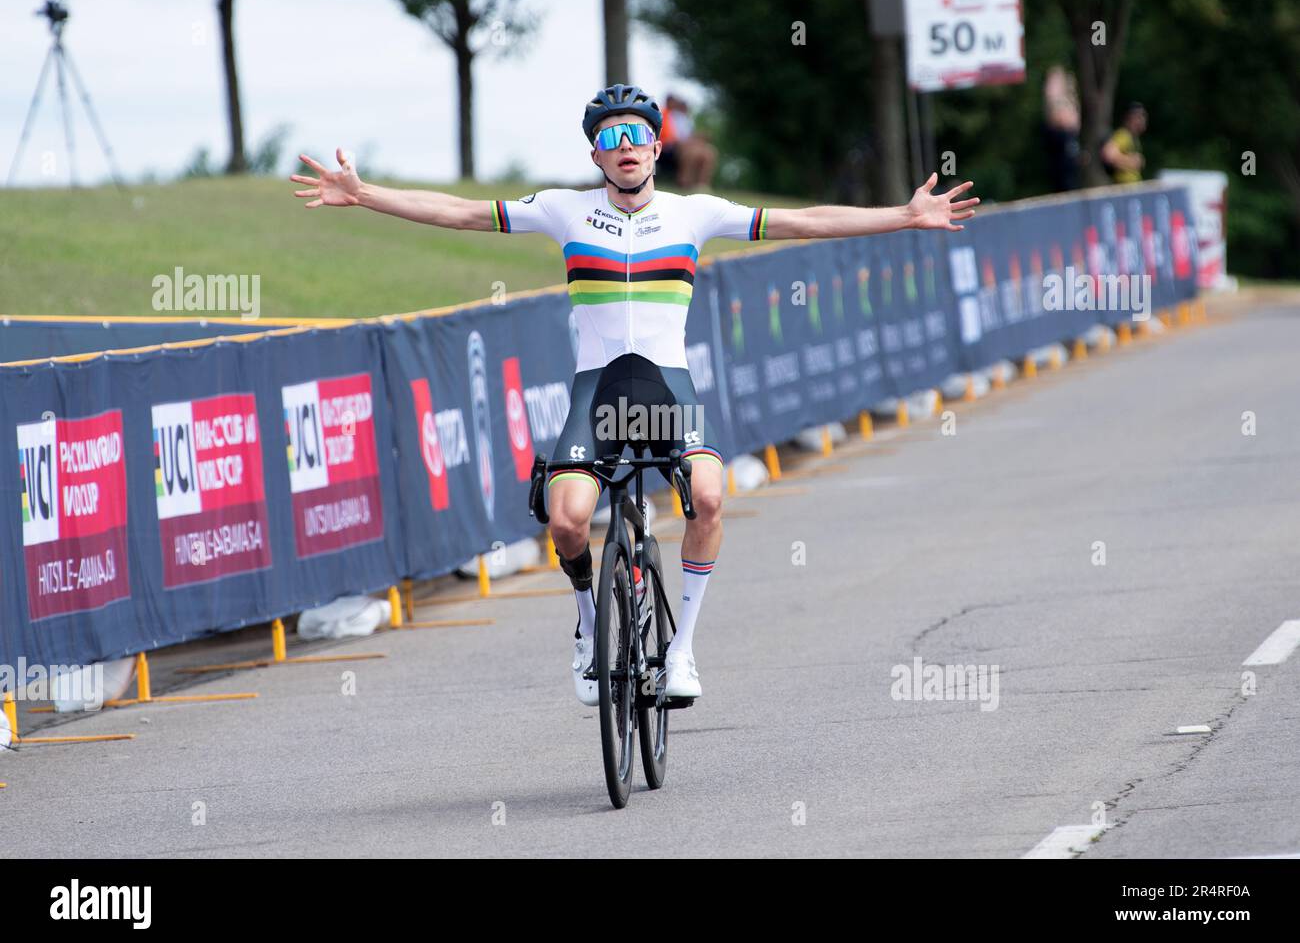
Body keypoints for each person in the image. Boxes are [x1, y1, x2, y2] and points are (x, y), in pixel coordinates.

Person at [290, 83, 978, 705]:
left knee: (709, 498)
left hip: (666, 389)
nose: (625, 149)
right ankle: (590, 634)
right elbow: (460, 213)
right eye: (611, 138)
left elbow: (807, 221)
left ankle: (682, 652)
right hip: (597, 392)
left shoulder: (694, 213)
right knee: (566, 521)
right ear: (595, 152)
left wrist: (903, 216)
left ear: (657, 146)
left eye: (637, 136)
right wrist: (368, 194)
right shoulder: (564, 210)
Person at [1042, 65, 1080, 192]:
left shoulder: (1070, 130)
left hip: (1071, 172)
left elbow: (1074, 122)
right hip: (1060, 174)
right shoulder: (1054, 129)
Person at [1102, 102, 1147, 184]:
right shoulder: (1123, 135)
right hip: (1123, 189)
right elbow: (1108, 154)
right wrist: (1132, 161)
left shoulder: (1132, 137)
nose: (1143, 120)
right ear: (1129, 118)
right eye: (1139, 116)